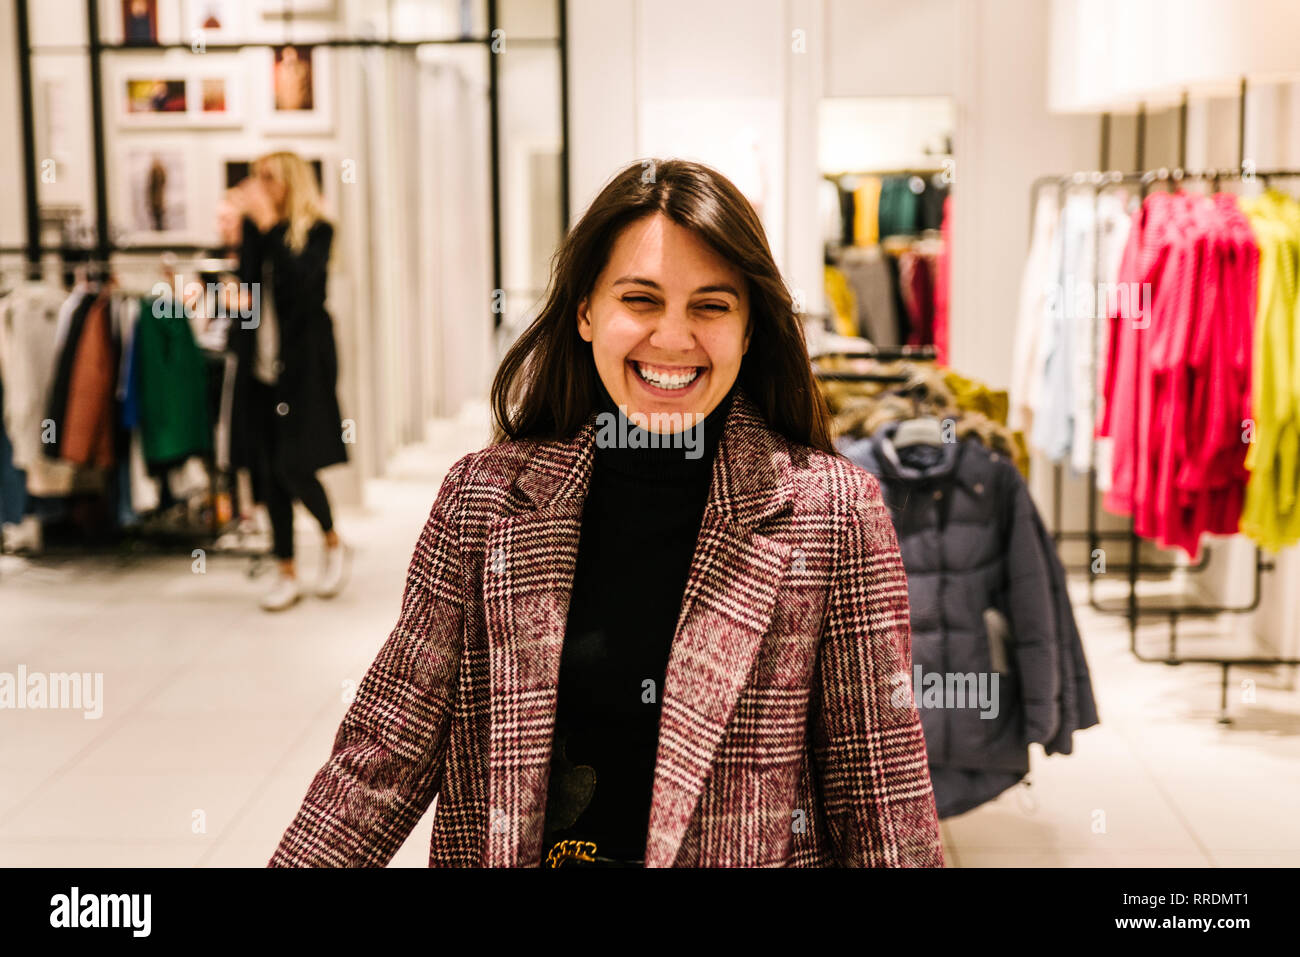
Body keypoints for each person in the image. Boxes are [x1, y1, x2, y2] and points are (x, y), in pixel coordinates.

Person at [269, 159, 942, 867]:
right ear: (587, 309)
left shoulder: (830, 515)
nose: (674, 337)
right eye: (641, 299)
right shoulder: (486, 499)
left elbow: (882, 798)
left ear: (750, 329)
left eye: (711, 305)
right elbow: (383, 754)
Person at [228, 151, 349, 612]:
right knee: (268, 470)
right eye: (257, 177)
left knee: (293, 464)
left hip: (301, 369)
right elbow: (248, 289)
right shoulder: (256, 232)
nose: (262, 187)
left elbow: (304, 289)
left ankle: (332, 540)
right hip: (260, 367)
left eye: (270, 178)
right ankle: (286, 571)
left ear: (291, 182)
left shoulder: (318, 230)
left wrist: (271, 229)